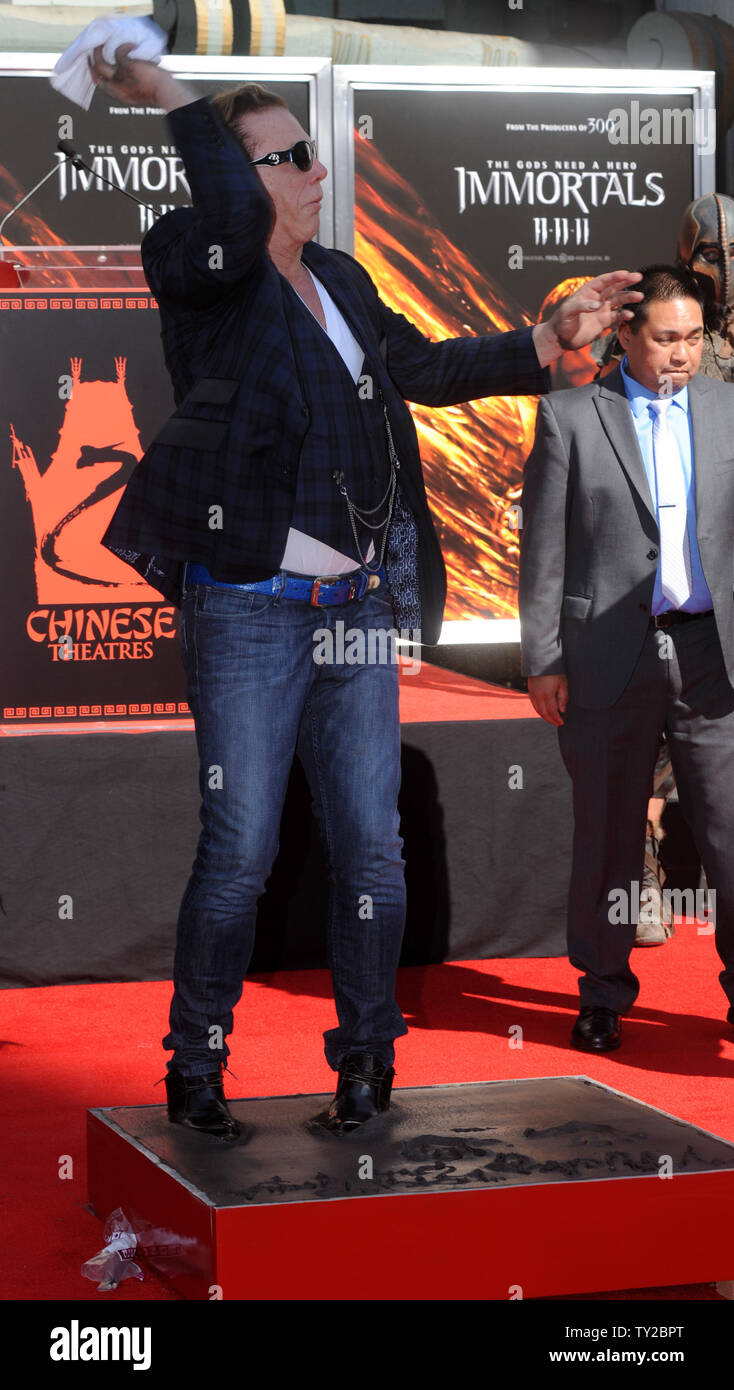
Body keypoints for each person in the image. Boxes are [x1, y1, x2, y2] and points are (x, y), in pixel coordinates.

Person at [94, 42, 641, 1134]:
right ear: (235, 176)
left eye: (309, 149)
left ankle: (364, 1063)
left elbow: (423, 370)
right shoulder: (199, 268)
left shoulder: (340, 276)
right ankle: (195, 1066)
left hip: (353, 613)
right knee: (241, 850)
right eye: (283, 155)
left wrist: (545, 339)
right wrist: (180, 102)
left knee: (370, 846)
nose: (311, 167)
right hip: (246, 605)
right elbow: (219, 217)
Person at [519, 263, 734, 1053]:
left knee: (731, 834)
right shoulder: (571, 417)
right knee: (608, 838)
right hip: (609, 655)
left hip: (714, 654)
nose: (685, 355)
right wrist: (543, 656)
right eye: (668, 340)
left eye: (695, 338)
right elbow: (542, 548)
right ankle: (602, 992)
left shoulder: (730, 408)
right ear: (626, 337)